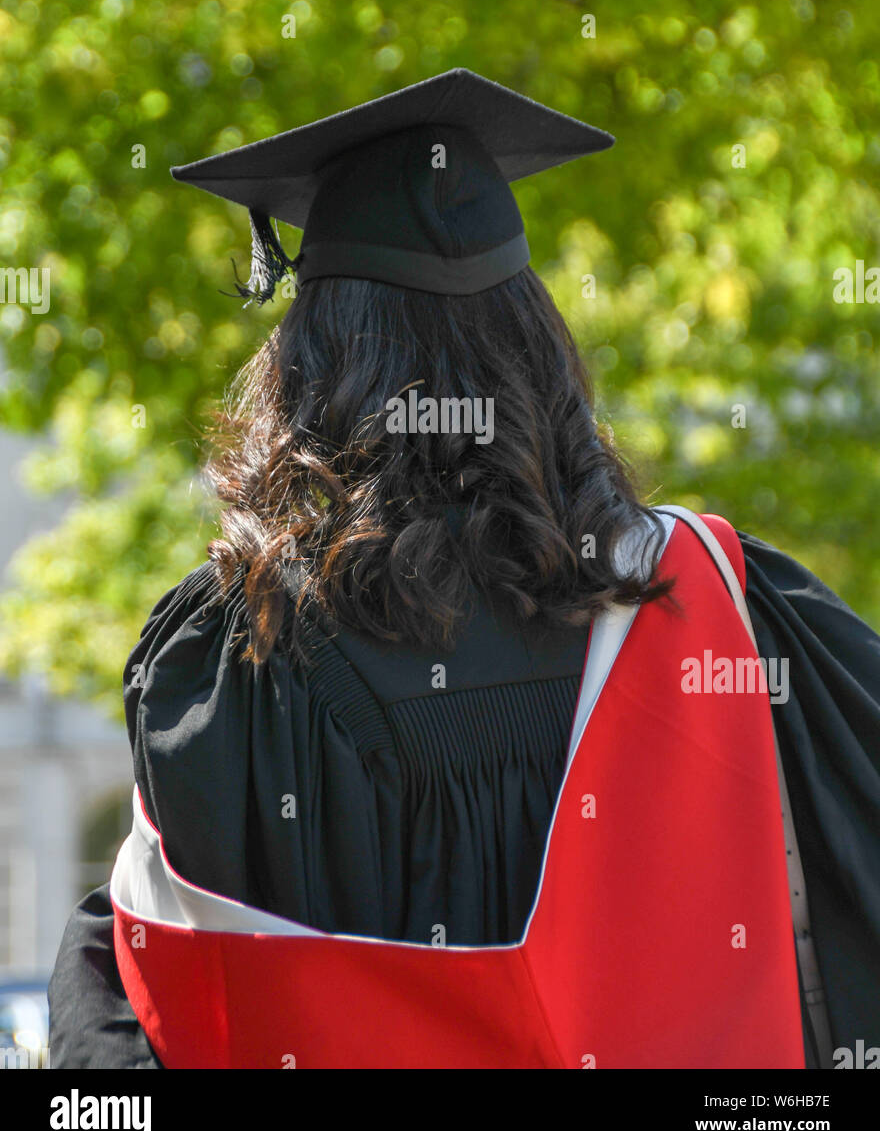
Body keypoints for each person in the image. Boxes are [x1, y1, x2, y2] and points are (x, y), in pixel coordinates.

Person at [48, 70, 880, 1069]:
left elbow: (175, 992)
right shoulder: (730, 605)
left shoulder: (242, 652)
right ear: (540, 352)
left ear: (309, 362)